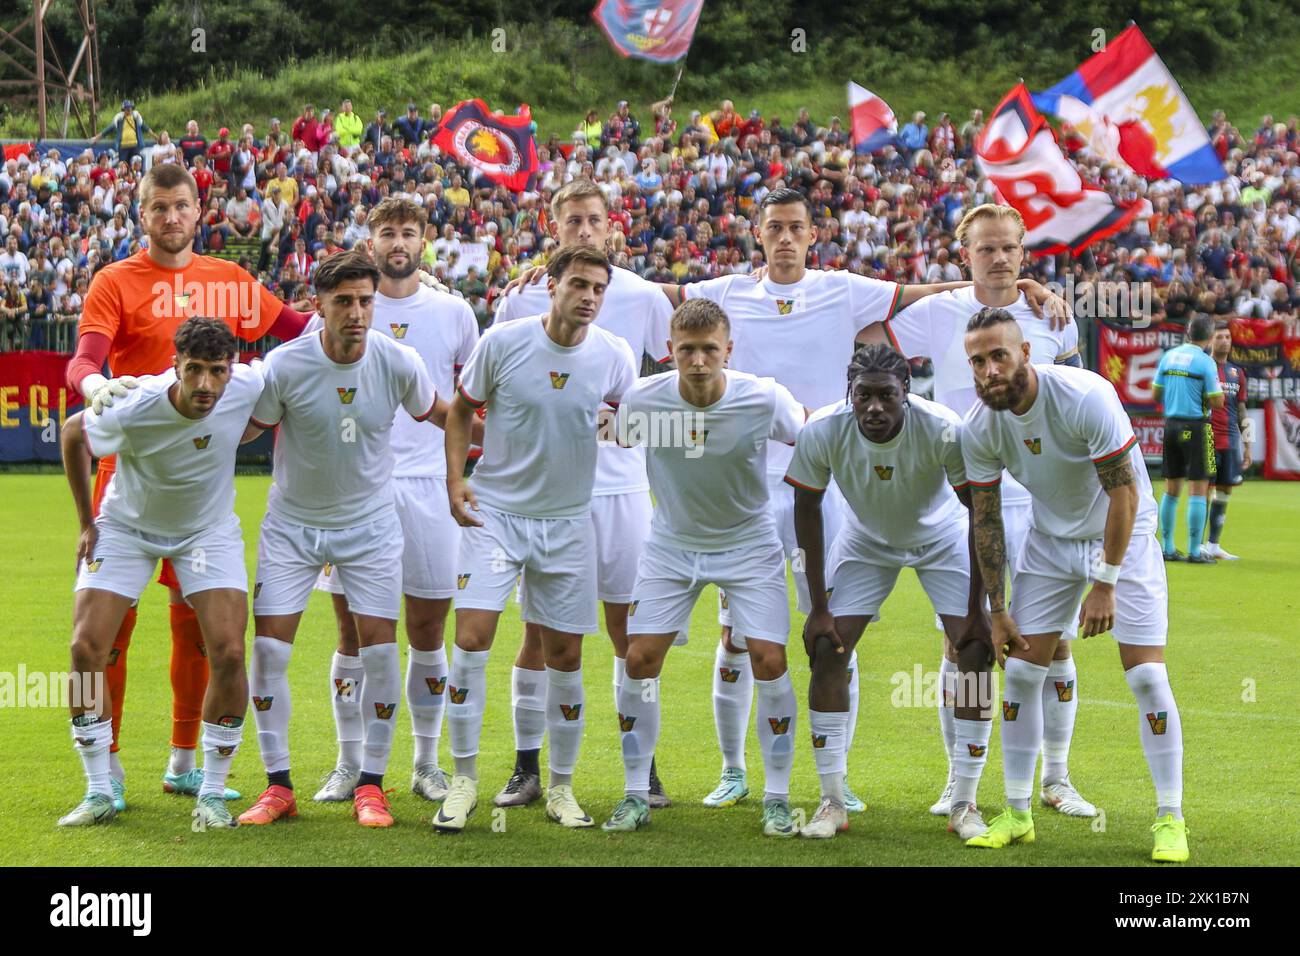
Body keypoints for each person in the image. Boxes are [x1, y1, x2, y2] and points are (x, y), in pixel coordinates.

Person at [655, 187, 1066, 812]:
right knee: (744, 633)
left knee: (958, 643)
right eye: (775, 228)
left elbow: (941, 295)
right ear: (757, 233)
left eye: (797, 227)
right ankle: (740, 771)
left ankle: (967, 786)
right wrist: (557, 264)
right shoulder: (732, 292)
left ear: (812, 234)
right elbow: (640, 292)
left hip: (884, 487)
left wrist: (1028, 286)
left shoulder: (845, 290)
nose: (786, 238)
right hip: (756, 482)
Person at [64, 162, 311, 814]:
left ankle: (183, 764)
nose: (170, 218)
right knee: (104, 637)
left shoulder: (229, 282)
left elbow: (297, 332)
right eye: (157, 208)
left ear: (198, 212)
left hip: (203, 484)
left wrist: (391, 305)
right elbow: (85, 360)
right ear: (139, 214)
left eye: (181, 207)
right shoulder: (115, 281)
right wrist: (92, 387)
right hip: (131, 472)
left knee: (202, 633)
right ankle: (106, 769)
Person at [859, 203, 1094, 818]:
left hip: (1043, 504)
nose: (998, 258)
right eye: (985, 248)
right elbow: (867, 334)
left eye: (1008, 248)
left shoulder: (1053, 318)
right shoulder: (937, 312)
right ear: (966, 254)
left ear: (1023, 252)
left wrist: (1037, 292)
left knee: (1055, 644)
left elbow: (1071, 399)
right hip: (969, 498)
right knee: (962, 639)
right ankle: (957, 779)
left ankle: (1058, 778)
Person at [238, 249, 460, 829]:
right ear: (320, 306)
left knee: (381, 651)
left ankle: (371, 784)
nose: (358, 312)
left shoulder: (398, 360)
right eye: (345, 302)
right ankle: (278, 785)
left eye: (366, 301)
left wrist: (511, 437)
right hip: (291, 527)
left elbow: (444, 416)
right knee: (267, 652)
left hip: (369, 526)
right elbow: (244, 432)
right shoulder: (283, 366)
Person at [961, 307, 1188, 863]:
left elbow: (1125, 493)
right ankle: (1017, 813)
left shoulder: (1085, 395)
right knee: (1018, 673)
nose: (989, 371)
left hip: (1125, 533)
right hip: (1051, 541)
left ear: (1026, 354)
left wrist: (1105, 584)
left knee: (1147, 679)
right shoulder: (979, 427)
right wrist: (997, 610)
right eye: (977, 361)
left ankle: (1170, 818)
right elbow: (986, 519)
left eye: (999, 356)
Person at [437, 245, 637, 832]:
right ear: (552, 286)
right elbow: (460, 411)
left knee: (567, 655)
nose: (590, 298)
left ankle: (562, 787)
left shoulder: (614, 355)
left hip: (570, 519)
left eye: (599, 289)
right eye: (579, 285)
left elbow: (639, 418)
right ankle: (463, 782)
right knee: (472, 640)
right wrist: (456, 479)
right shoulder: (502, 342)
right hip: (495, 513)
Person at [489, 178, 673, 809]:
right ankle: (526, 767)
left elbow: (674, 380)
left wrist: (629, 425)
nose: (586, 229)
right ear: (554, 225)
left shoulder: (645, 297)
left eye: (595, 219)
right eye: (573, 220)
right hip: (543, 497)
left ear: (611, 224)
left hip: (621, 488)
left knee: (630, 632)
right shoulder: (520, 302)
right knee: (539, 635)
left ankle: (642, 769)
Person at [603, 298, 805, 836]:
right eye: (686, 350)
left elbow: (808, 436)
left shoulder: (763, 397)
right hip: (670, 542)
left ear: (728, 351)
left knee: (768, 657)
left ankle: (778, 798)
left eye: (709, 350)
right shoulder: (642, 400)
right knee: (640, 658)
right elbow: (611, 438)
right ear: (669, 351)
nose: (697, 361)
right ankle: (634, 793)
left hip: (748, 541)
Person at [56, 317, 263, 829]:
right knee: (86, 648)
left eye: (218, 371)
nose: (206, 385)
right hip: (127, 528)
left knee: (230, 651)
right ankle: (99, 787)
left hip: (205, 533)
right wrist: (86, 521)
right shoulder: (135, 404)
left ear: (231, 368)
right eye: (194, 370)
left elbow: (314, 342)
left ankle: (211, 792)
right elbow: (73, 433)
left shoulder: (248, 387)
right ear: (175, 366)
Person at [309, 198, 480, 805]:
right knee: (353, 633)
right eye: (387, 232)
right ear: (371, 240)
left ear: (425, 240)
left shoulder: (455, 312)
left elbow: (463, 406)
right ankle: (348, 764)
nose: (398, 242)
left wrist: (480, 461)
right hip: (357, 493)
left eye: (409, 232)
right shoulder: (338, 310)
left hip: (433, 487)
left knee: (428, 630)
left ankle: (425, 763)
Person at [788, 344, 992, 839]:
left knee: (975, 652)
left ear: (907, 393)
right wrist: (818, 606)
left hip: (941, 536)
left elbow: (981, 513)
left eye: (887, 396)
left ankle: (964, 802)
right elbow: (807, 512)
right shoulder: (821, 432)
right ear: (849, 395)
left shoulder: (943, 428)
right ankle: (831, 800)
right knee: (825, 646)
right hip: (867, 539)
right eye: (864, 396)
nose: (875, 407)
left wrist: (979, 609)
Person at [1153, 315, 1225, 562]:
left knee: (1171, 489)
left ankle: (1168, 547)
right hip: (1196, 427)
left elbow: (1155, 392)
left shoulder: (1169, 356)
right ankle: (1195, 551)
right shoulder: (1206, 362)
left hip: (1171, 426)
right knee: (1198, 488)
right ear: (1210, 336)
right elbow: (1217, 401)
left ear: (1188, 332)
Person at [1204, 321, 1250, 560]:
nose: (1224, 341)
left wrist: (1248, 445)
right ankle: (1197, 543)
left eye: (1227, 337)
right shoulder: (1203, 367)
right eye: (1220, 336)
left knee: (1225, 491)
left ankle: (1213, 544)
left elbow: (1242, 411)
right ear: (1211, 340)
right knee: (1202, 490)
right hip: (1207, 438)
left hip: (1230, 440)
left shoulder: (1237, 372)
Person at [94, 100, 150, 166]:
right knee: (123, 165)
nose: (129, 110)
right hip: (123, 146)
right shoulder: (119, 120)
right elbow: (109, 129)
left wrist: (155, 136)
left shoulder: (136, 119)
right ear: (124, 110)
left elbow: (145, 127)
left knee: (136, 163)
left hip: (135, 146)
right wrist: (97, 138)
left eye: (130, 108)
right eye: (127, 108)